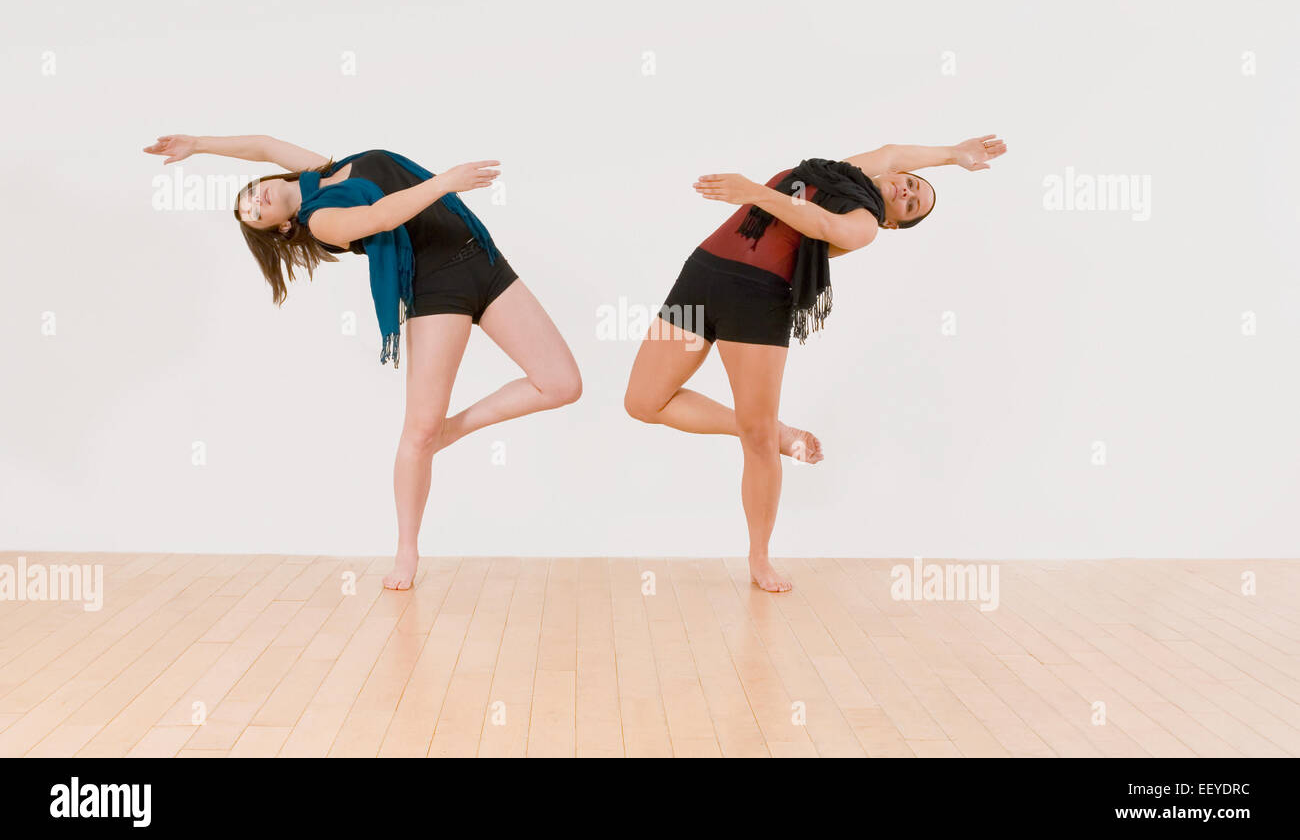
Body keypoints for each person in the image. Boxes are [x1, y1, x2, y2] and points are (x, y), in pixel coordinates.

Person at [143, 134, 582, 589]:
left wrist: (197, 144)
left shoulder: (327, 171)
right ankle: (407, 550)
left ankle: (450, 431)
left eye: (250, 195)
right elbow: (379, 216)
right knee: (418, 431)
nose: (256, 201)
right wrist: (446, 181)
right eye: (253, 214)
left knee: (561, 383)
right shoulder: (321, 220)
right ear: (282, 228)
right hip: (437, 290)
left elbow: (263, 145)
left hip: (483, 262)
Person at [624, 135, 1007, 591]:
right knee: (643, 403)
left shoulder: (863, 224)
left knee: (757, 438)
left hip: (758, 296)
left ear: (894, 226)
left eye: (912, 205)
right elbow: (891, 151)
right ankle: (777, 430)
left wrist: (754, 192)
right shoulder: (840, 172)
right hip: (703, 274)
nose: (907, 191)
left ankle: (759, 557)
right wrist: (953, 156)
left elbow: (817, 222)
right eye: (910, 184)